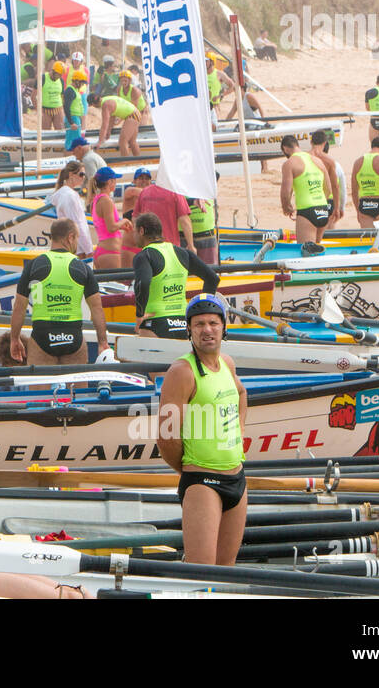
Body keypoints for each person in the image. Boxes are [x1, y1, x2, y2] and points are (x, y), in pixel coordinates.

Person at [156, 294, 247, 566]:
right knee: (203, 578)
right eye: (199, 324)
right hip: (202, 484)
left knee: (227, 575)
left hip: (237, 480)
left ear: (223, 328)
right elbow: (166, 436)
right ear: (189, 330)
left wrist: (238, 435)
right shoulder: (182, 372)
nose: (207, 329)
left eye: (213, 323)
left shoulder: (227, 364)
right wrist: (187, 467)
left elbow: (241, 393)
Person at [8, 219, 112, 365]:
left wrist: (14, 338)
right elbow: (96, 308)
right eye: (77, 238)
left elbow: (19, 307)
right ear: (70, 237)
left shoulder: (35, 265)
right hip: (72, 335)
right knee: (76, 388)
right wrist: (102, 342)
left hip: (42, 336)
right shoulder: (81, 268)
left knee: (41, 388)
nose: (77, 243)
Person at [132, 212, 219, 338]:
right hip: (183, 322)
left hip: (156, 323)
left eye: (134, 231)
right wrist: (202, 312)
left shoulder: (144, 256)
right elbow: (212, 279)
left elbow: (143, 283)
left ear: (141, 231)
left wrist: (139, 315)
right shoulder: (182, 253)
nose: (133, 236)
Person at [279, 134, 332, 249]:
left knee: (305, 254)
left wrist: (286, 207)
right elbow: (328, 189)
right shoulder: (317, 161)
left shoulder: (290, 163)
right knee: (317, 252)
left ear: (285, 148)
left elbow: (285, 191)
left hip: (307, 211)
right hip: (323, 208)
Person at [135, 176, 195, 250]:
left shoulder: (144, 192)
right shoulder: (175, 192)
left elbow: (135, 218)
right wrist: (191, 245)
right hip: (169, 245)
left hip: (148, 246)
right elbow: (184, 221)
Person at [47, 161, 93, 258]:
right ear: (71, 175)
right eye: (81, 174)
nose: (83, 177)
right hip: (77, 249)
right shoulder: (70, 196)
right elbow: (78, 224)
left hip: (68, 245)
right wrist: (88, 249)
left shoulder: (61, 194)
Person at [87, 167, 130, 269]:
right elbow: (111, 227)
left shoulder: (96, 200)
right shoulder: (106, 200)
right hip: (110, 252)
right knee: (118, 284)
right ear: (110, 181)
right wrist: (124, 220)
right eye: (114, 180)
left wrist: (120, 226)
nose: (115, 183)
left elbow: (104, 225)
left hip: (102, 250)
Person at [308, 129, 344, 228]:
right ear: (325, 143)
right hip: (326, 201)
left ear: (311, 142)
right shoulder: (329, 161)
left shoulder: (303, 158)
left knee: (309, 237)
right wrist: (337, 208)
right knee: (328, 236)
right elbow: (335, 186)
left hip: (308, 201)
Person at [119, 167, 151, 264]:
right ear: (134, 180)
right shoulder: (129, 192)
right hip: (129, 247)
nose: (144, 181)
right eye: (141, 178)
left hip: (147, 248)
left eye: (147, 178)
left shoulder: (152, 200)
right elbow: (135, 192)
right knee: (127, 278)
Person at [97, 92, 141, 157]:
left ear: (93, 104)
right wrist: (109, 131)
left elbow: (104, 125)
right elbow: (112, 118)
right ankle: (139, 161)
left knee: (122, 142)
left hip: (132, 115)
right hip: (135, 113)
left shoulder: (105, 105)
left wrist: (99, 142)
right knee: (132, 142)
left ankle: (125, 163)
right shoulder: (106, 99)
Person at [187, 190, 218, 266]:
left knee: (210, 271)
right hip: (183, 232)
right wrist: (192, 201)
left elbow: (215, 179)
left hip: (206, 232)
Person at [41, 61, 65, 130]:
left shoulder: (61, 80)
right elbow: (34, 95)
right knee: (45, 132)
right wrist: (38, 110)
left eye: (61, 75)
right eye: (59, 74)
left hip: (58, 109)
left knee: (61, 131)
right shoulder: (43, 78)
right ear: (53, 71)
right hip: (45, 110)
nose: (60, 76)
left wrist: (62, 109)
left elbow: (62, 96)